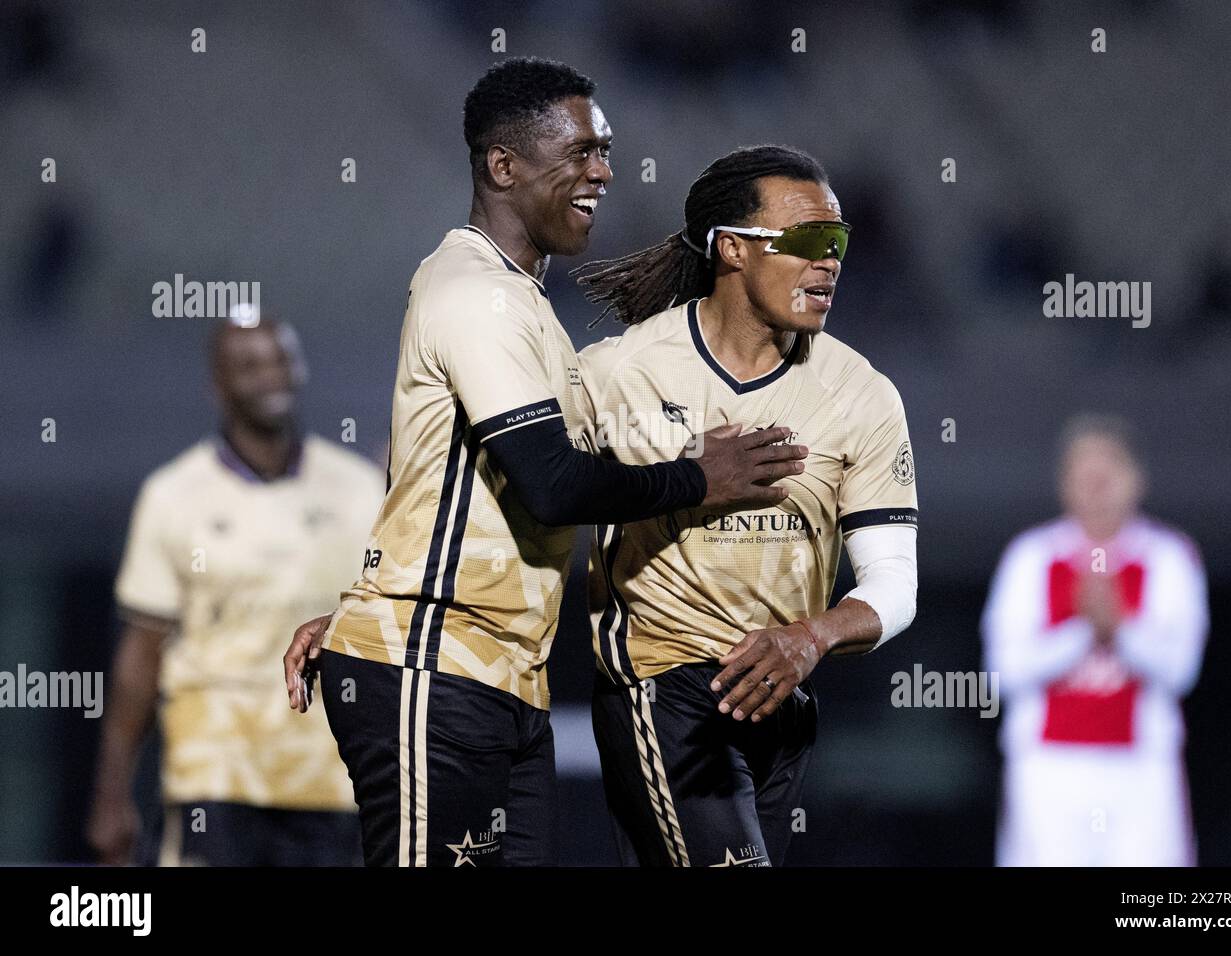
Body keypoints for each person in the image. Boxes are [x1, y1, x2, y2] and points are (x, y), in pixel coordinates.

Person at [284, 58, 808, 867]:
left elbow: (434, 479)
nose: (603, 171)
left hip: (495, 676)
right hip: (436, 665)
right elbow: (553, 484)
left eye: (606, 150)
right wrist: (703, 477)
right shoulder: (474, 293)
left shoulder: (523, 304)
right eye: (582, 152)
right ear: (504, 166)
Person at [570, 144, 919, 866]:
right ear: (730, 249)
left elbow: (896, 585)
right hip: (662, 684)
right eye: (807, 240)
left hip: (780, 695)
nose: (830, 262)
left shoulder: (862, 393)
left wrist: (812, 638)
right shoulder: (615, 374)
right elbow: (510, 496)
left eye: (839, 241)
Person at [87, 314, 384, 866]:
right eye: (249, 365)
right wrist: (112, 793)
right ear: (216, 385)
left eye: (280, 359)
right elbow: (142, 652)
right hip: (215, 774)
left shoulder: (361, 488)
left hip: (333, 775)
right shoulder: (173, 495)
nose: (271, 375)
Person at [981, 414, 1208, 866]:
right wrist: (1083, 631)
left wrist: (1119, 630)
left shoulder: (1168, 557)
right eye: (1086, 476)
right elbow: (1002, 673)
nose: (1098, 487)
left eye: (1110, 474)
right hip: (1049, 769)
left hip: (1142, 768)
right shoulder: (1031, 556)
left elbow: (1180, 669)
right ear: (1065, 484)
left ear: (1136, 479)